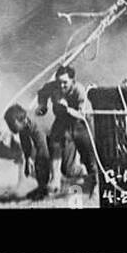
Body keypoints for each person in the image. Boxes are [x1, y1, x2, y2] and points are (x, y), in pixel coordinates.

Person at [36, 65, 97, 194]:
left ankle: (95, 181)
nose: (61, 86)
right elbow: (42, 93)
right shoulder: (53, 86)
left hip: (81, 123)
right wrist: (43, 105)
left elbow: (82, 114)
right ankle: (55, 179)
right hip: (62, 121)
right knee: (55, 145)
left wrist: (67, 108)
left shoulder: (79, 90)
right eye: (59, 82)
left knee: (88, 153)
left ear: (72, 81)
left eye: (65, 83)